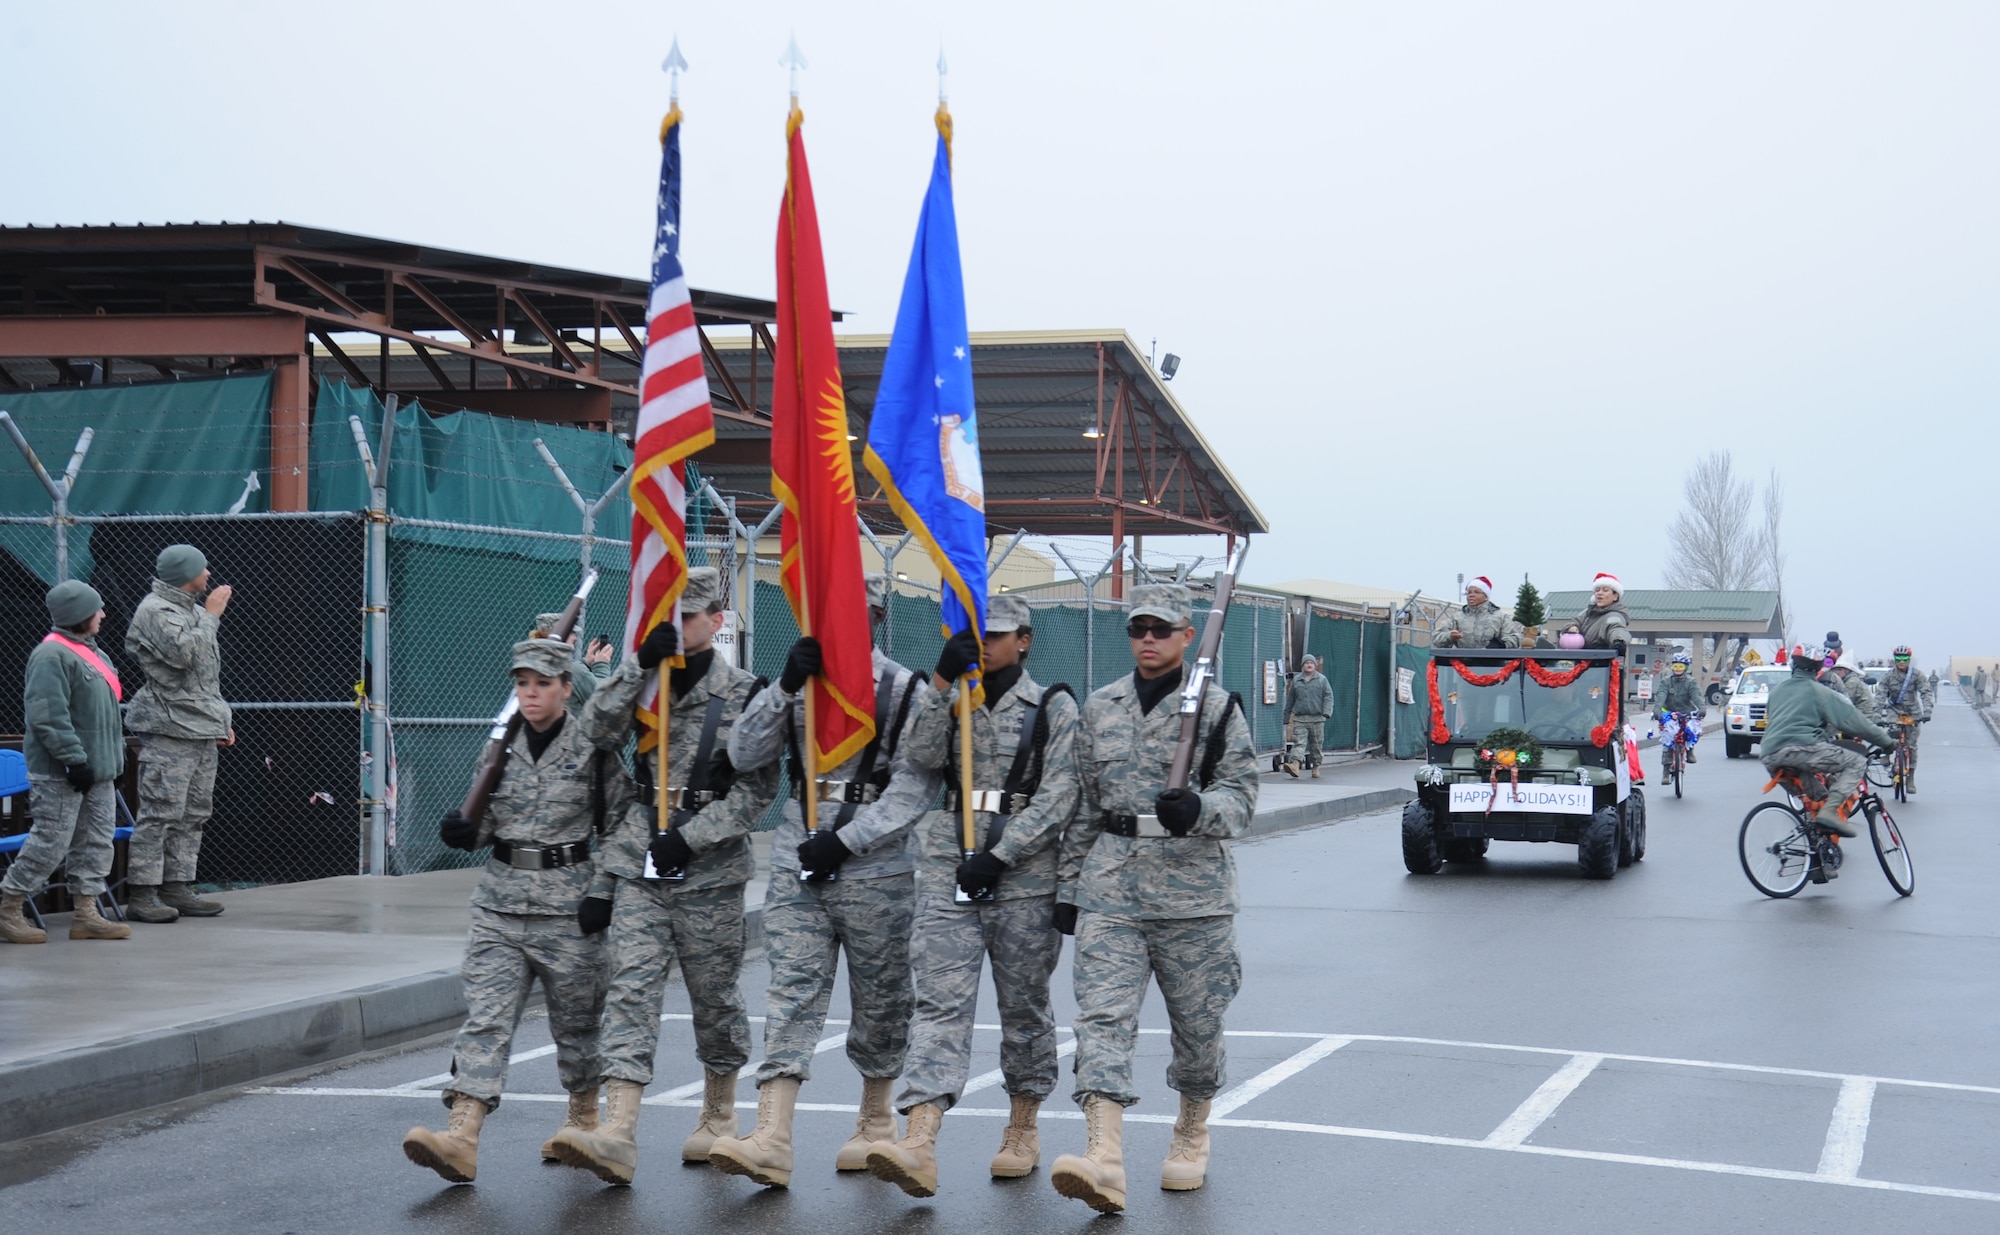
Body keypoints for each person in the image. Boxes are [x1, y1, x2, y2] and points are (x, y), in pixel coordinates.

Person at [706, 573, 936, 1189]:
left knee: (883, 1000)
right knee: (791, 993)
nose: (837, 625)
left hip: (876, 869)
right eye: (827, 613)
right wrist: (781, 686)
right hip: (798, 860)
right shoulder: (797, 681)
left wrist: (848, 840)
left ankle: (873, 1123)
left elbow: (916, 787)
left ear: (877, 617)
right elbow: (744, 754)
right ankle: (773, 1136)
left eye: (852, 615)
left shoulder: (904, 689)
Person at [549, 567, 778, 1186]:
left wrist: (692, 836)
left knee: (715, 999)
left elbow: (758, 791)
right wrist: (633, 669)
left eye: (690, 616)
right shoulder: (646, 683)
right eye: (669, 617)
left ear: (717, 620)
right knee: (631, 992)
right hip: (641, 863)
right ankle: (619, 1129)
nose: (677, 627)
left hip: (710, 871)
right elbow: (595, 733)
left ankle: (718, 1112)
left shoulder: (747, 693)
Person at [1047, 582, 1259, 1213]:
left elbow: (1242, 799)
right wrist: (1067, 887)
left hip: (1194, 896)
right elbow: (1083, 804)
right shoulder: (1101, 705)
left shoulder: (1218, 710)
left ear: (1187, 636)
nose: (1147, 638)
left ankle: (1192, 1129)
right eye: (1138, 627)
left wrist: (1199, 808)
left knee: (1198, 1029)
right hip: (1111, 886)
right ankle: (1103, 1156)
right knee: (1101, 1022)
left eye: (1160, 629)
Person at [864, 592, 1081, 1198]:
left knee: (1024, 1010)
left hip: (1024, 878)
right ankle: (920, 1140)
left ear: (1025, 640)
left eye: (998, 634)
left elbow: (1060, 795)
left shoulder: (1053, 706)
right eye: (977, 634)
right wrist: (939, 682)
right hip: (949, 868)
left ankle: (1022, 1127)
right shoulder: (955, 695)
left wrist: (1001, 856)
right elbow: (920, 757)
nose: (985, 643)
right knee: (939, 1004)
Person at [400, 636, 634, 1184]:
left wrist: (604, 891)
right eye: (522, 683)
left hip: (568, 907)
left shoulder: (594, 751)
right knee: (486, 1020)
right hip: (500, 908)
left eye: (543, 684)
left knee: (578, 1028)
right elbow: (486, 823)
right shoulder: (501, 746)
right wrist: (464, 830)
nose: (530, 694)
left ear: (566, 688)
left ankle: (581, 1119)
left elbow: (624, 825)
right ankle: (462, 1136)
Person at [0, 582, 132, 945]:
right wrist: (74, 760)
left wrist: (111, 763)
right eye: (97, 609)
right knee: (50, 842)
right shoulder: (50, 656)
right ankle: (8, 907)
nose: (104, 615)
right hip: (62, 772)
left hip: (99, 771)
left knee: (96, 841)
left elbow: (105, 715)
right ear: (79, 616)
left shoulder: (96, 654)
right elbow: (47, 716)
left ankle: (86, 913)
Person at [122, 544, 233, 923]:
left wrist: (220, 721)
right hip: (169, 725)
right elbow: (183, 656)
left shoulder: (194, 613)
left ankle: (176, 885)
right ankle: (143, 893)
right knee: (161, 811)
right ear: (187, 574)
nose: (209, 573)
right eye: (203, 568)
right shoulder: (155, 611)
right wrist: (213, 617)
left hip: (199, 724)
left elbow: (205, 678)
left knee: (194, 812)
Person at [1758, 644, 1896, 837]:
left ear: (1793, 665)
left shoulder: (1777, 691)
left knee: (1820, 800)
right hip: (1803, 749)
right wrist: (1887, 742)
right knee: (1857, 762)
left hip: (1770, 755)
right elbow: (1854, 721)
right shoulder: (1820, 692)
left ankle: (1819, 856)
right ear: (1818, 667)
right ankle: (1831, 812)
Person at [1874, 647, 1935, 793]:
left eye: (1904, 659)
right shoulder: (1888, 676)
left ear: (1909, 660)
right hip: (1895, 711)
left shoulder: (1917, 675)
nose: (1901, 662)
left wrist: (1927, 711)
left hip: (1912, 713)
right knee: (1891, 732)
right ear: (1895, 660)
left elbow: (1926, 692)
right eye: (1899, 659)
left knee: (1912, 746)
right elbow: (1880, 695)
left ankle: (1911, 779)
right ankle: (1886, 754)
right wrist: (1876, 714)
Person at [530, 611, 615, 706]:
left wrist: (585, 662)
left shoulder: (531, 664)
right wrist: (601, 665)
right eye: (572, 633)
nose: (575, 638)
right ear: (561, 635)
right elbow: (604, 699)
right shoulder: (573, 670)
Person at [1431, 576, 1523, 651]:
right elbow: (1436, 638)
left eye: (1477, 592)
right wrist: (1449, 636)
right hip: (1463, 667)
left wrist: (1501, 645)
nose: (1471, 595)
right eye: (1469, 592)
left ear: (1486, 596)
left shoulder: (1501, 617)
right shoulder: (1457, 617)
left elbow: (1515, 638)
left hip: (1494, 667)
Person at [1283, 655, 1334, 778]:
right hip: (1300, 718)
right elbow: (1290, 700)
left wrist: (1327, 712)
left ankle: (1316, 767)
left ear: (1315, 666)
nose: (1309, 665)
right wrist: (1286, 716)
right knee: (1298, 743)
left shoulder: (1322, 680)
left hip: (1317, 719)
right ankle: (1295, 765)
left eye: (1311, 663)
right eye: (1306, 663)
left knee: (1316, 745)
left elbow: (1328, 697)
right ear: (1303, 665)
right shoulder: (1296, 680)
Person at [1654, 651, 1701, 768]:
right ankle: (1666, 770)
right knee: (1668, 738)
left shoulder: (1691, 682)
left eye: (1681, 666)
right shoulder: (1666, 681)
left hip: (1687, 711)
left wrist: (1702, 708)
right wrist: (1657, 708)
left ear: (1686, 667)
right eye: (1675, 666)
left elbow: (1696, 695)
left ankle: (1690, 751)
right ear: (1672, 667)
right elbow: (1661, 694)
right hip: (1668, 711)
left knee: (1692, 729)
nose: (1678, 669)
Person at [1575, 574, 1629, 652]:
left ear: (1615, 596)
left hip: (1599, 660)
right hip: (1581, 659)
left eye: (1605, 590)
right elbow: (1576, 621)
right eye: (1597, 590)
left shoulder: (1614, 616)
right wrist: (1572, 627)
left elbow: (1616, 628)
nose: (1599, 593)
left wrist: (1618, 641)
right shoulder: (1587, 613)